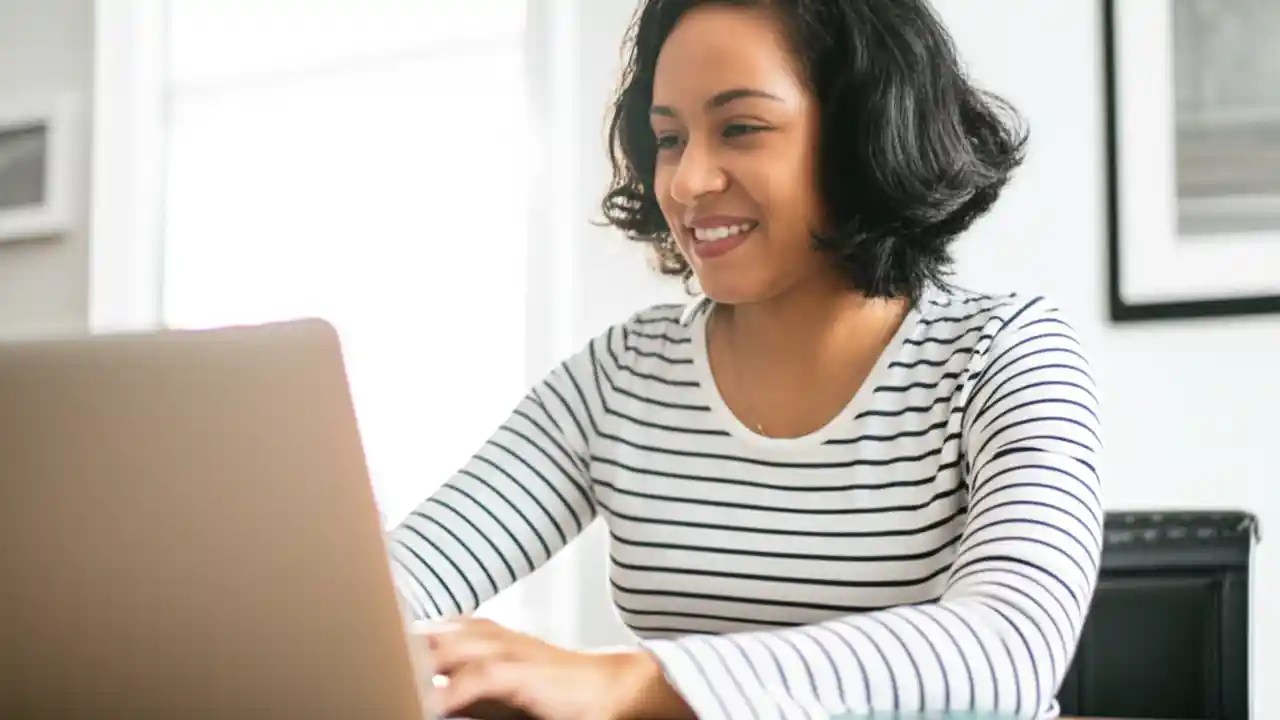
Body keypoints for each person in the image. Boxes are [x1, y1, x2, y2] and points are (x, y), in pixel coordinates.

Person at [389, 0, 1102, 718]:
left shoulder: (1007, 356)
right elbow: (387, 594)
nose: (686, 182)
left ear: (863, 132)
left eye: (740, 129)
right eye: (669, 138)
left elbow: (1008, 649)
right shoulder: (622, 380)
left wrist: (625, 682)